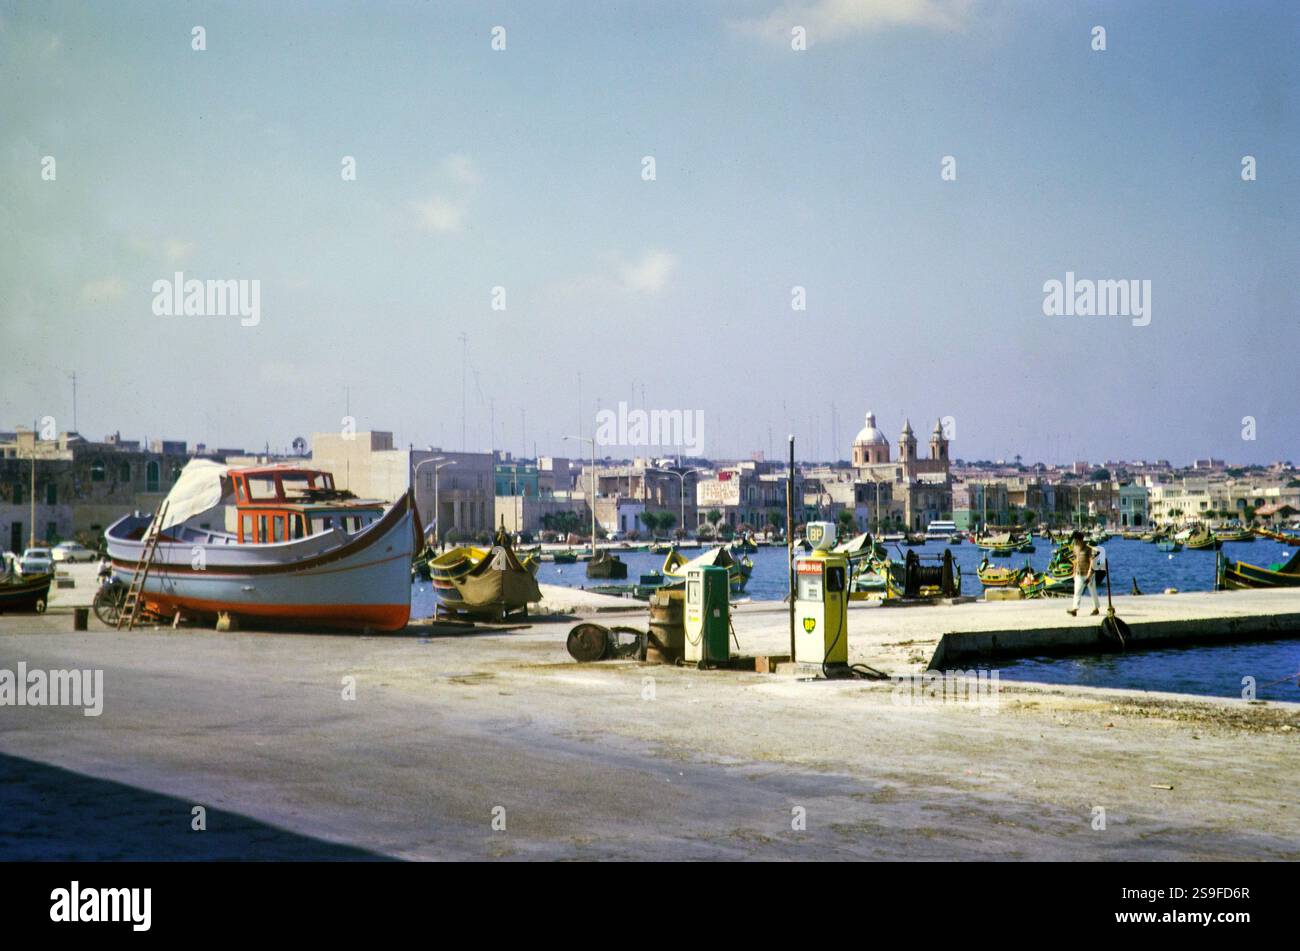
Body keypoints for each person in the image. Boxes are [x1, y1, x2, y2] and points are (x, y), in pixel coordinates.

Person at [1067, 530, 1099, 616]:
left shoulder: (1088, 549)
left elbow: (1091, 561)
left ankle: (1096, 608)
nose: (1075, 542)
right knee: (1077, 592)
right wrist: (1073, 573)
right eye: (1074, 540)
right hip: (1079, 574)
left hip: (1089, 574)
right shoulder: (1075, 548)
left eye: (1076, 540)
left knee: (1093, 592)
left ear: (1080, 540)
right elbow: (1075, 561)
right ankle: (1075, 609)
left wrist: (1089, 575)